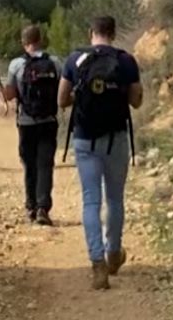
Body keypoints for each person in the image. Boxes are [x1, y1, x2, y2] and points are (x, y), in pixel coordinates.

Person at [59, 16, 142, 291]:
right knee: (115, 198)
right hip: (116, 138)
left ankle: (97, 264)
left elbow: (62, 100)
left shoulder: (75, 60)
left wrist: (83, 95)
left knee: (91, 201)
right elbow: (137, 100)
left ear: (91, 32)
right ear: (113, 33)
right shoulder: (125, 61)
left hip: (85, 138)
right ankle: (114, 253)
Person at [3, 24, 62, 226]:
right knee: (45, 164)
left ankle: (31, 206)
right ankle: (43, 207)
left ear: (24, 42)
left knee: (29, 164)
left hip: (26, 122)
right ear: (41, 40)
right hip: (48, 121)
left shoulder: (16, 65)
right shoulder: (55, 62)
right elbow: (62, 89)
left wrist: (8, 90)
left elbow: (9, 94)